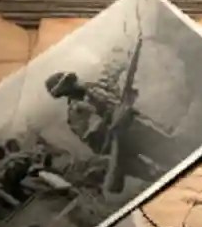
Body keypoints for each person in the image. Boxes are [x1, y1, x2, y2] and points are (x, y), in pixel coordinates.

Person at [46, 70, 193, 196]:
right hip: (123, 145)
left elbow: (119, 97)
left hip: (139, 128)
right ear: (63, 92)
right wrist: (111, 124)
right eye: (67, 84)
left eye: (71, 80)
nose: (74, 83)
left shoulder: (95, 87)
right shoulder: (76, 114)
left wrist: (128, 101)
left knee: (175, 154)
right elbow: (97, 143)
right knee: (160, 177)